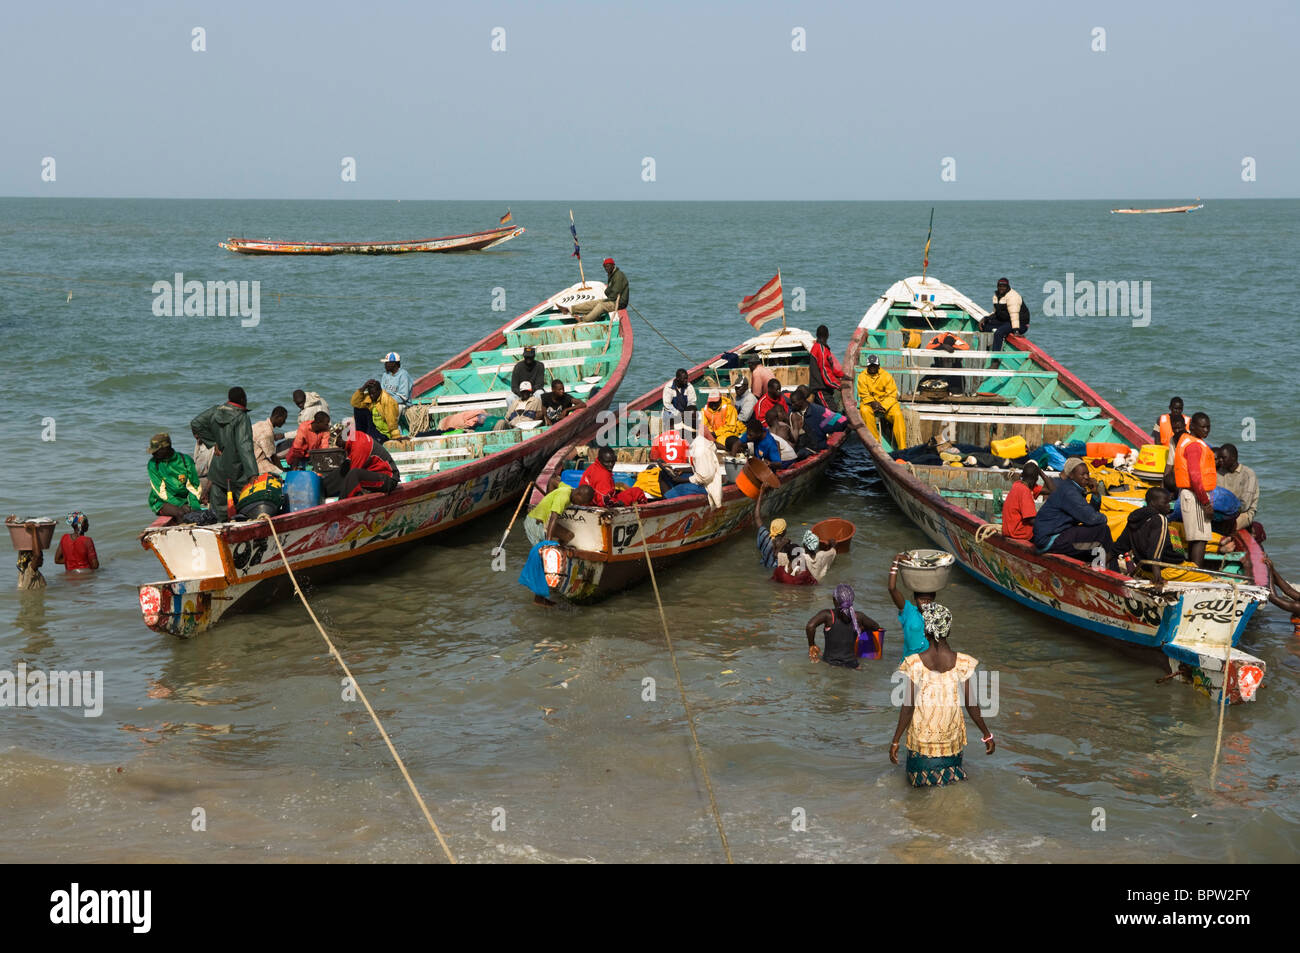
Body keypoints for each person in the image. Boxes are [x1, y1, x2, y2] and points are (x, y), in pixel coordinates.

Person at [889, 603, 994, 787]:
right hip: (950, 739)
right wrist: (986, 735)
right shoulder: (961, 662)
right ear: (948, 630)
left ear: (926, 631)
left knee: (918, 794)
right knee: (948, 787)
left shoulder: (914, 663)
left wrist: (896, 740)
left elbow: (908, 707)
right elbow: (971, 703)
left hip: (922, 741)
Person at [1032, 458, 1119, 566]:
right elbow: (1092, 518)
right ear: (1071, 476)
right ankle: (1112, 572)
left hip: (1056, 533)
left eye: (1087, 473)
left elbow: (1090, 514)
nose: (1087, 477)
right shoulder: (1069, 492)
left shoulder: (1073, 489)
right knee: (1103, 531)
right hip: (1050, 539)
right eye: (1082, 474)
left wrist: (1095, 493)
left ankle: (1098, 566)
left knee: (1098, 531)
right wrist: (1104, 518)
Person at [191, 389, 258, 518]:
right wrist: (253, 473)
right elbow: (245, 446)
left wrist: (212, 442)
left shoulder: (215, 410)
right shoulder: (242, 417)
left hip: (218, 468)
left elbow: (196, 423)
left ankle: (219, 528)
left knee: (218, 510)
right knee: (245, 505)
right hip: (237, 470)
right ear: (244, 400)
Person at [1172, 412, 1215, 567]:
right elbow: (1195, 476)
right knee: (1200, 538)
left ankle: (1193, 570)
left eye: (1208, 427)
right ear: (1192, 427)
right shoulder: (1194, 446)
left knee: (1195, 537)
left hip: (1191, 494)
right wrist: (1205, 503)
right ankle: (1197, 573)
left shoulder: (1187, 441)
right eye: (1202, 427)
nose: (1206, 430)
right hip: (1195, 495)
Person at [805, 584, 882, 668]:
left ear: (834, 600)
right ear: (852, 600)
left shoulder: (828, 615)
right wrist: (862, 629)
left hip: (830, 664)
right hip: (853, 665)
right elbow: (875, 627)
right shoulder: (858, 617)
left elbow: (810, 626)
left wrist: (812, 645)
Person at [1117, 487, 1181, 574]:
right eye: (1165, 503)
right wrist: (1157, 576)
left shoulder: (1135, 518)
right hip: (1164, 569)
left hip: (1143, 568)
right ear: (1153, 503)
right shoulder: (1160, 519)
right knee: (1205, 577)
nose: (1169, 506)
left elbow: (1120, 545)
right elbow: (1155, 550)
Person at [887, 554, 938, 663]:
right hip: (908, 666)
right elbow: (892, 588)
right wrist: (895, 561)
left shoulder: (937, 616)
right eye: (922, 599)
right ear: (915, 598)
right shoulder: (908, 611)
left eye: (928, 600)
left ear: (934, 599)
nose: (925, 603)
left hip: (928, 667)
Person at [321, 430, 400, 499]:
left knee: (354, 474)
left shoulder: (359, 446)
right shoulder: (354, 437)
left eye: (337, 443)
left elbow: (351, 478)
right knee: (345, 466)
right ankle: (322, 491)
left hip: (389, 480)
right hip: (373, 474)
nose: (338, 446)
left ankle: (340, 506)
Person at [665, 419, 722, 505]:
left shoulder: (700, 450)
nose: (678, 432)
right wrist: (682, 470)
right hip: (702, 478)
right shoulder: (695, 443)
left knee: (679, 489)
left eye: (681, 430)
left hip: (707, 486)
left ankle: (667, 501)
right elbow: (697, 467)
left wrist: (682, 480)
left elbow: (705, 477)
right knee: (666, 476)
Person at [857, 354, 907, 449]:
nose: (872, 368)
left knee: (898, 415)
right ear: (867, 366)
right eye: (870, 366)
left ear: (878, 365)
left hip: (886, 404)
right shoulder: (862, 377)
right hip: (870, 403)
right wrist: (872, 403)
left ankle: (902, 448)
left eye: (874, 365)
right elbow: (863, 394)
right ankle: (875, 443)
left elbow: (892, 394)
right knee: (864, 411)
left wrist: (883, 406)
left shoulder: (886, 376)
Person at [147, 432, 202, 518]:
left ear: (166, 448)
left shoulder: (185, 460)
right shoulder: (153, 464)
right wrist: (180, 505)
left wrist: (194, 506)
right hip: (162, 501)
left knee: (195, 514)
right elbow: (161, 492)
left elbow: (194, 485)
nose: (153, 454)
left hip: (185, 499)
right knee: (180, 513)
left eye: (156, 451)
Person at [525, 482, 596, 546]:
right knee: (542, 552)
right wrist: (548, 542)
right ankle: (549, 549)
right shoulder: (564, 497)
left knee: (569, 536)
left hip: (544, 521)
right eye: (581, 502)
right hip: (536, 523)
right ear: (578, 494)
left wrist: (549, 498)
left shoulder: (568, 488)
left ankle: (557, 551)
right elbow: (553, 518)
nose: (580, 504)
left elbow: (553, 481)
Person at [562, 258, 628, 322]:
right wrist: (608, 295)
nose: (607, 268)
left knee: (601, 306)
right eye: (605, 267)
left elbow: (614, 294)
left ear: (613, 265)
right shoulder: (612, 274)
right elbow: (608, 291)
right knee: (594, 303)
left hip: (619, 303)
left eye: (608, 266)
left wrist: (608, 297)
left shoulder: (618, 276)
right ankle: (570, 309)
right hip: (613, 300)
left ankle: (584, 319)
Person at [1214, 443, 1258, 533]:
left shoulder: (1248, 474)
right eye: (1219, 458)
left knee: (1225, 526)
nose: (1220, 460)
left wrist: (1226, 514)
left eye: (1224, 458)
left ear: (1233, 458)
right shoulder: (1218, 472)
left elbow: (1245, 505)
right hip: (1221, 512)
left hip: (1243, 513)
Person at [1000, 461, 1050, 542]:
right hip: (1018, 533)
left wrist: (1039, 472)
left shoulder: (1018, 484)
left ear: (1022, 475)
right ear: (1036, 479)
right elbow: (1031, 520)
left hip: (1009, 530)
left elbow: (1051, 491)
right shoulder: (1025, 491)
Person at [986, 277, 1027, 352]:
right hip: (1006, 321)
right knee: (985, 326)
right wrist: (986, 318)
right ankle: (987, 349)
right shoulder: (997, 295)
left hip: (1020, 324)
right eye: (1000, 286)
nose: (1001, 288)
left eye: (1004, 286)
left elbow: (1014, 315)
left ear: (1007, 287)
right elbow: (995, 312)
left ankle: (995, 358)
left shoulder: (1013, 296)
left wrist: (1016, 331)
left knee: (998, 333)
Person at [809, 325, 845, 409]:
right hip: (820, 389)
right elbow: (825, 372)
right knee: (833, 412)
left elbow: (830, 368)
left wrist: (843, 375)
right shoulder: (821, 349)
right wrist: (838, 385)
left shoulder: (821, 348)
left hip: (823, 389)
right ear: (827, 335)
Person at [1262, 557, 1300, 635]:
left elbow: (1273, 598)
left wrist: (1268, 571)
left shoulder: (1298, 606)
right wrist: (1272, 569)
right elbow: (1288, 590)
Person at [252, 405, 288, 475]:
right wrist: (283, 471)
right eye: (284, 419)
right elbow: (273, 457)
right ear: (278, 417)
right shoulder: (267, 432)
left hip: (251, 458)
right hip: (257, 462)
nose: (284, 422)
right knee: (280, 474)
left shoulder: (260, 424)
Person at [15, 524, 46, 590]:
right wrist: (34, 530)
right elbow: (37, 556)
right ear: (32, 558)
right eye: (42, 556)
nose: (43, 559)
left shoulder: (22, 569)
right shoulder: (30, 571)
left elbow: (23, 552)